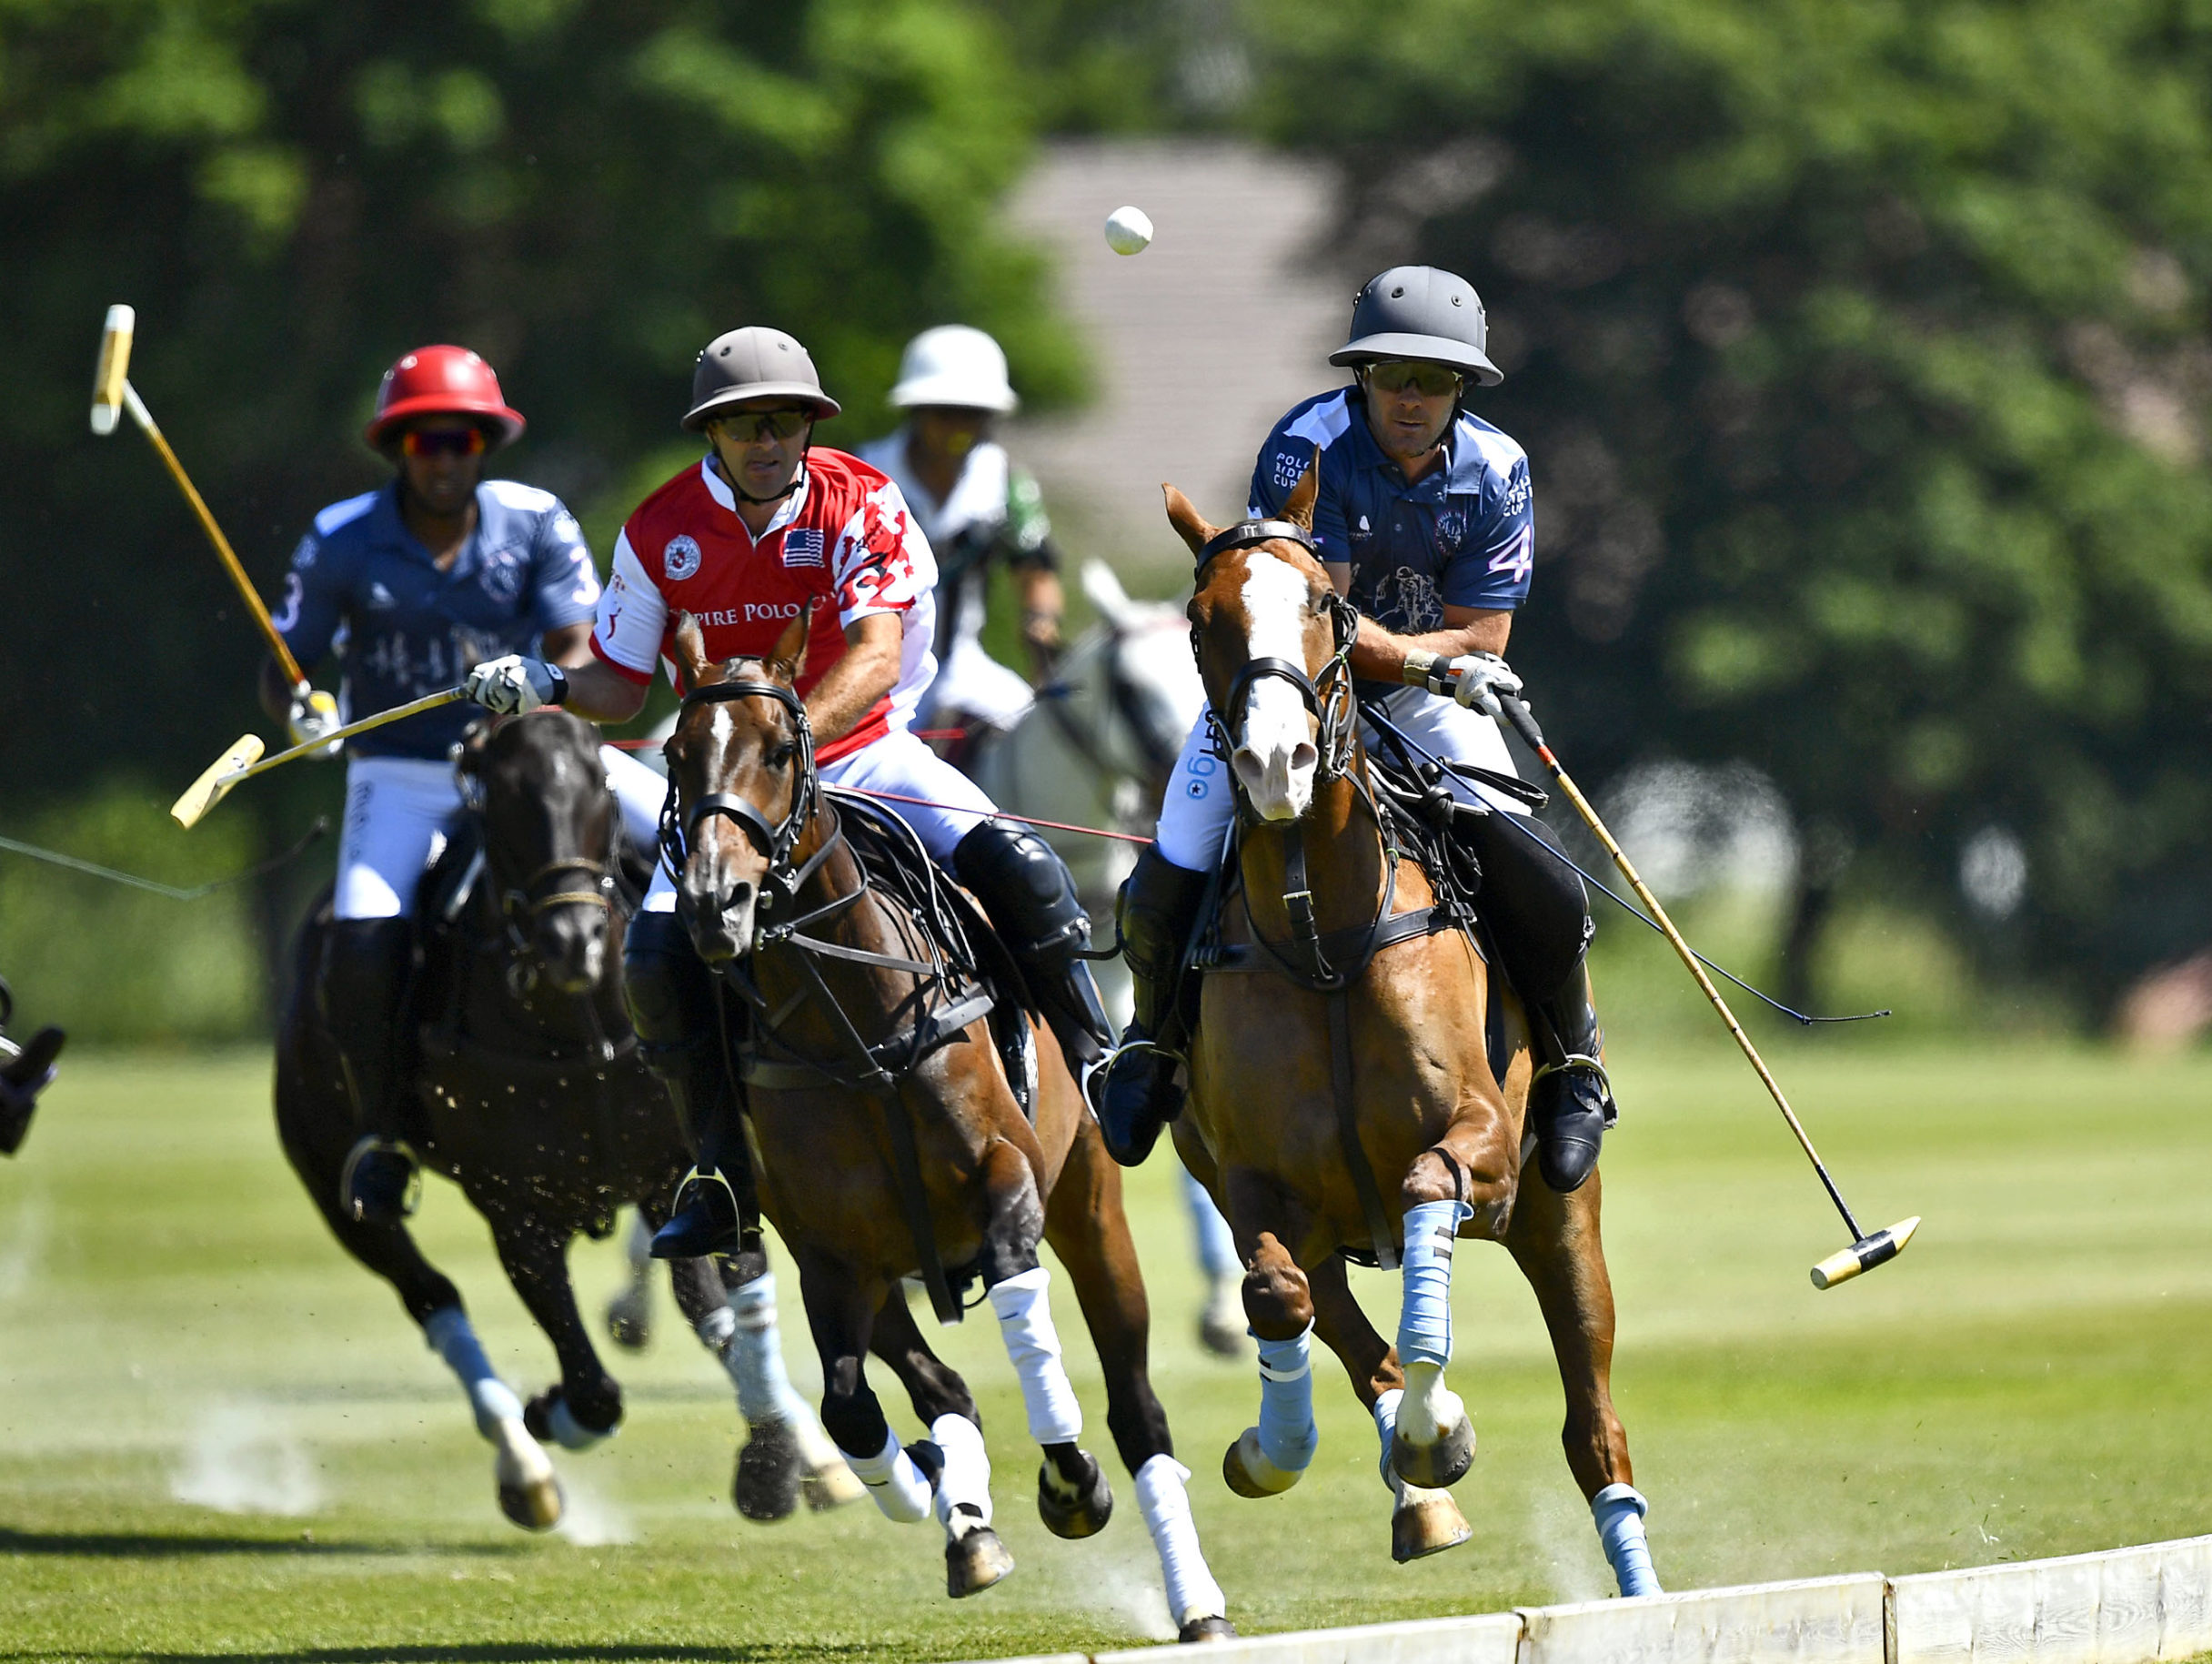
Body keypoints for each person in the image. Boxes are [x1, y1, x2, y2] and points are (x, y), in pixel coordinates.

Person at [461, 326, 1116, 1259]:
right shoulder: (658, 528)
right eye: (742, 427)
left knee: (1022, 861)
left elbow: (877, 652)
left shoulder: (860, 501)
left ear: (807, 427)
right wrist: (547, 683)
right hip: (732, 787)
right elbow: (618, 681)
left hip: (861, 749)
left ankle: (1097, 1070)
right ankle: (721, 1169)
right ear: (712, 437)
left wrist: (790, 742)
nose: (764, 442)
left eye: (782, 423)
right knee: (653, 953)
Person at [1097, 266, 1619, 1195]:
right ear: (1361, 377)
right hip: (1287, 688)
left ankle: (1574, 1065)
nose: (1410, 398)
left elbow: (1485, 632)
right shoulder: (1308, 447)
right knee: (1170, 864)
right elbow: (1313, 617)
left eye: (1434, 380)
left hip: (1427, 701)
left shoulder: (1498, 468)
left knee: (1537, 874)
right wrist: (1426, 658)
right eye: (1391, 375)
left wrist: (1436, 667)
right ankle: (1153, 1041)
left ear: (1463, 387)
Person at [262, 345, 669, 1228]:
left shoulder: (536, 520)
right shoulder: (341, 535)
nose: (443, 459)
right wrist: (305, 706)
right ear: (397, 449)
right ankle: (379, 1135)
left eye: (460, 440)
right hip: (401, 773)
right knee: (363, 935)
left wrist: (540, 687)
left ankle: (729, 1077)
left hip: (534, 760)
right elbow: (287, 658)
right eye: (423, 442)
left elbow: (577, 645)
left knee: (694, 840)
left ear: (485, 443)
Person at [857, 326, 1064, 760]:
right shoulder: (863, 477)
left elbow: (1037, 569)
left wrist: (1041, 620)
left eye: (972, 413)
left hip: (964, 668)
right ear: (915, 411)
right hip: (870, 669)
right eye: (945, 412)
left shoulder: (1005, 479)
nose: (958, 427)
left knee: (1051, 746)